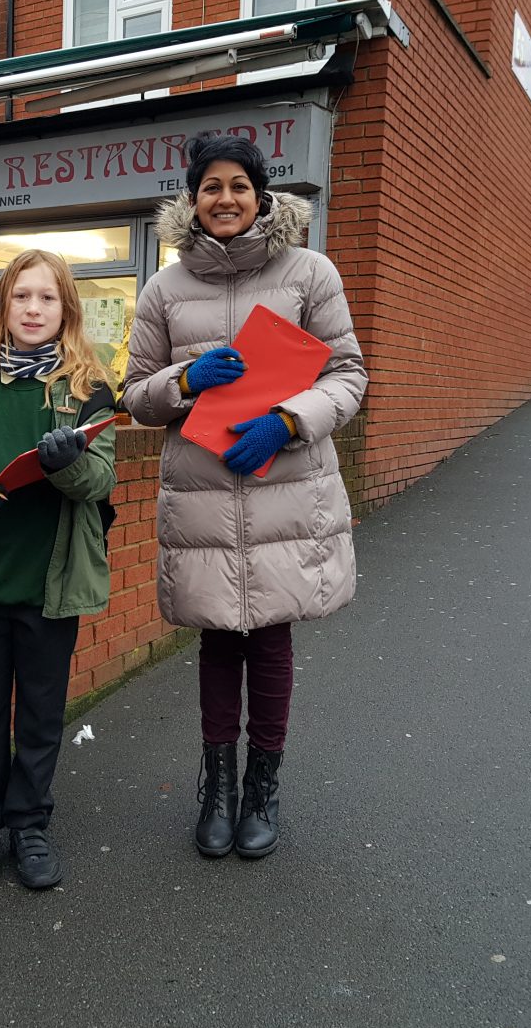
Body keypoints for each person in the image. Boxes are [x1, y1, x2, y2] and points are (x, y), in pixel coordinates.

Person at [121, 132, 366, 861]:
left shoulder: (309, 273)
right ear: (191, 201)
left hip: (284, 487)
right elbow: (136, 395)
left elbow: (348, 376)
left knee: (272, 640)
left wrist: (290, 420)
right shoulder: (164, 288)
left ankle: (263, 786)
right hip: (201, 493)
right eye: (210, 187)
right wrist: (186, 382)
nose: (224, 199)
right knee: (218, 641)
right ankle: (218, 788)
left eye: (238, 186)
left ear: (262, 195)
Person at [0, 249, 117, 891]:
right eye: (21, 297)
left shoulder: (89, 388)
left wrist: (68, 460)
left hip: (51, 584)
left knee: (39, 713)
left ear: (67, 310)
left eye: (47, 298)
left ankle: (30, 824)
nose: (33, 309)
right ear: (3, 306)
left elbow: (101, 480)